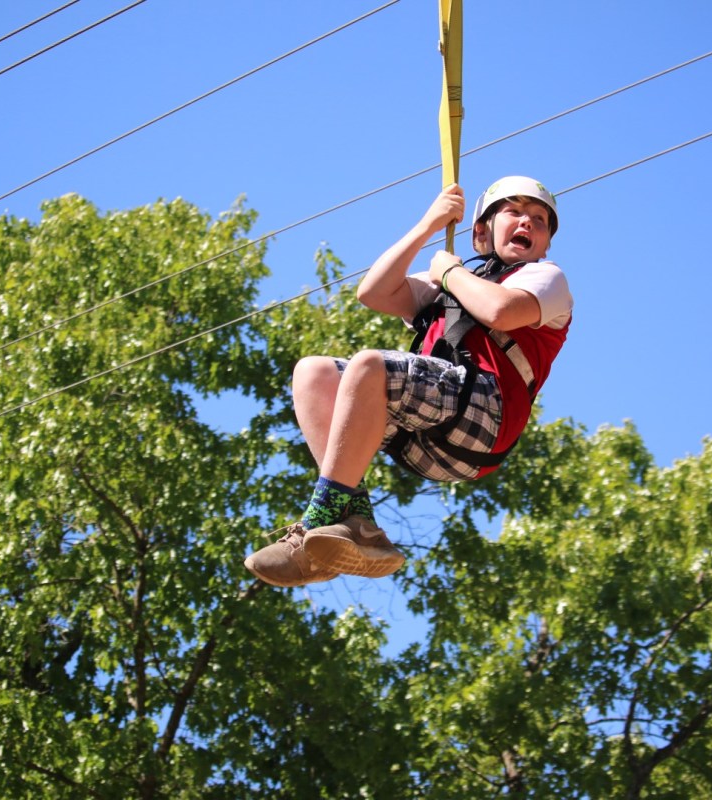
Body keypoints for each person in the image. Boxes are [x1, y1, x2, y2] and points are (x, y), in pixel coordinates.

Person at [244, 176, 573, 587]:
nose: (527, 222)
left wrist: (449, 271)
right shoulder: (452, 283)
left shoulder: (545, 278)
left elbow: (501, 312)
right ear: (481, 233)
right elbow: (373, 292)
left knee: (369, 366)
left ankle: (316, 520)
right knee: (313, 372)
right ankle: (355, 520)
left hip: (485, 418)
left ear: (545, 244)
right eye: (514, 211)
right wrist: (428, 225)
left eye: (539, 220)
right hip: (426, 438)